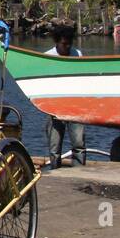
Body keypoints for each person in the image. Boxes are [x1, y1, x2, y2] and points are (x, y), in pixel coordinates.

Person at [42, 25, 86, 170]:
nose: (66, 47)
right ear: (57, 42)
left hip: (75, 105)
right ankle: (55, 171)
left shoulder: (77, 54)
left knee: (79, 144)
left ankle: (79, 172)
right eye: (63, 44)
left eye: (69, 44)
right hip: (55, 107)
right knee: (55, 146)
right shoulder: (47, 57)